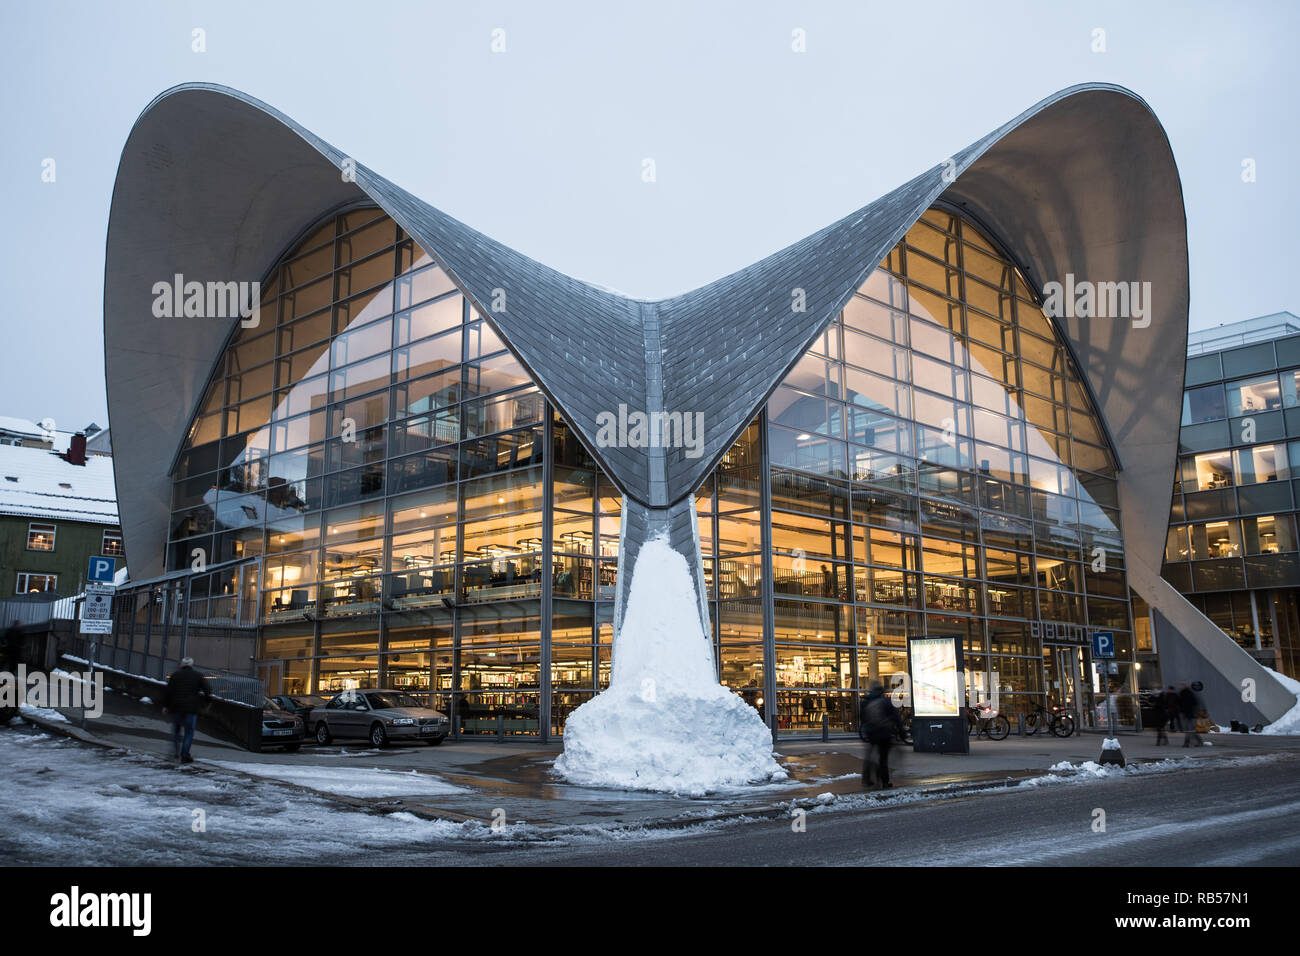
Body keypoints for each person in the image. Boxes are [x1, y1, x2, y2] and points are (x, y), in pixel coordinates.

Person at [162, 657, 212, 764]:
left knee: (176, 732)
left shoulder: (175, 675)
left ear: (182, 665)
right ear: (191, 665)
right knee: (189, 733)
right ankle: (185, 755)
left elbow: (168, 692)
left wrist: (166, 706)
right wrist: (207, 703)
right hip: (191, 708)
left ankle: (175, 754)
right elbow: (208, 690)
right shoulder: (198, 675)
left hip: (177, 708)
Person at [860, 681, 904, 789]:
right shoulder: (886, 702)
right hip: (885, 733)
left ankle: (867, 779)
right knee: (883, 759)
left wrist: (866, 730)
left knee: (870, 756)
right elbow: (896, 717)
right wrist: (901, 731)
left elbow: (861, 718)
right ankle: (884, 781)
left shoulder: (865, 702)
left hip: (872, 734)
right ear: (881, 691)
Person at [1177, 681, 1204, 747]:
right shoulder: (1181, 693)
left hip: (1189, 713)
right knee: (1189, 730)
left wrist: (1193, 712)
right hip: (1186, 713)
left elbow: (1193, 703)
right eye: (1181, 685)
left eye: (1183, 685)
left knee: (1189, 730)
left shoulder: (1188, 693)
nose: (1181, 686)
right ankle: (1198, 741)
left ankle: (1188, 742)